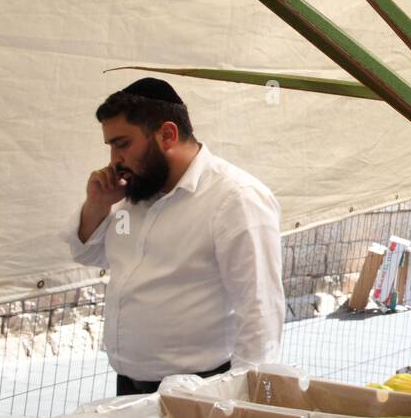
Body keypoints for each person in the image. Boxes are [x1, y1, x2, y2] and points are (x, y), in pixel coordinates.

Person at [65, 78, 285, 395]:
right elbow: (89, 253)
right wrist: (98, 204)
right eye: (111, 146)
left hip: (201, 392)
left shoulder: (236, 198)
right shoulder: (137, 195)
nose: (115, 160)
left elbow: (260, 311)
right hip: (130, 388)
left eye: (122, 144)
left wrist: (243, 403)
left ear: (167, 134)